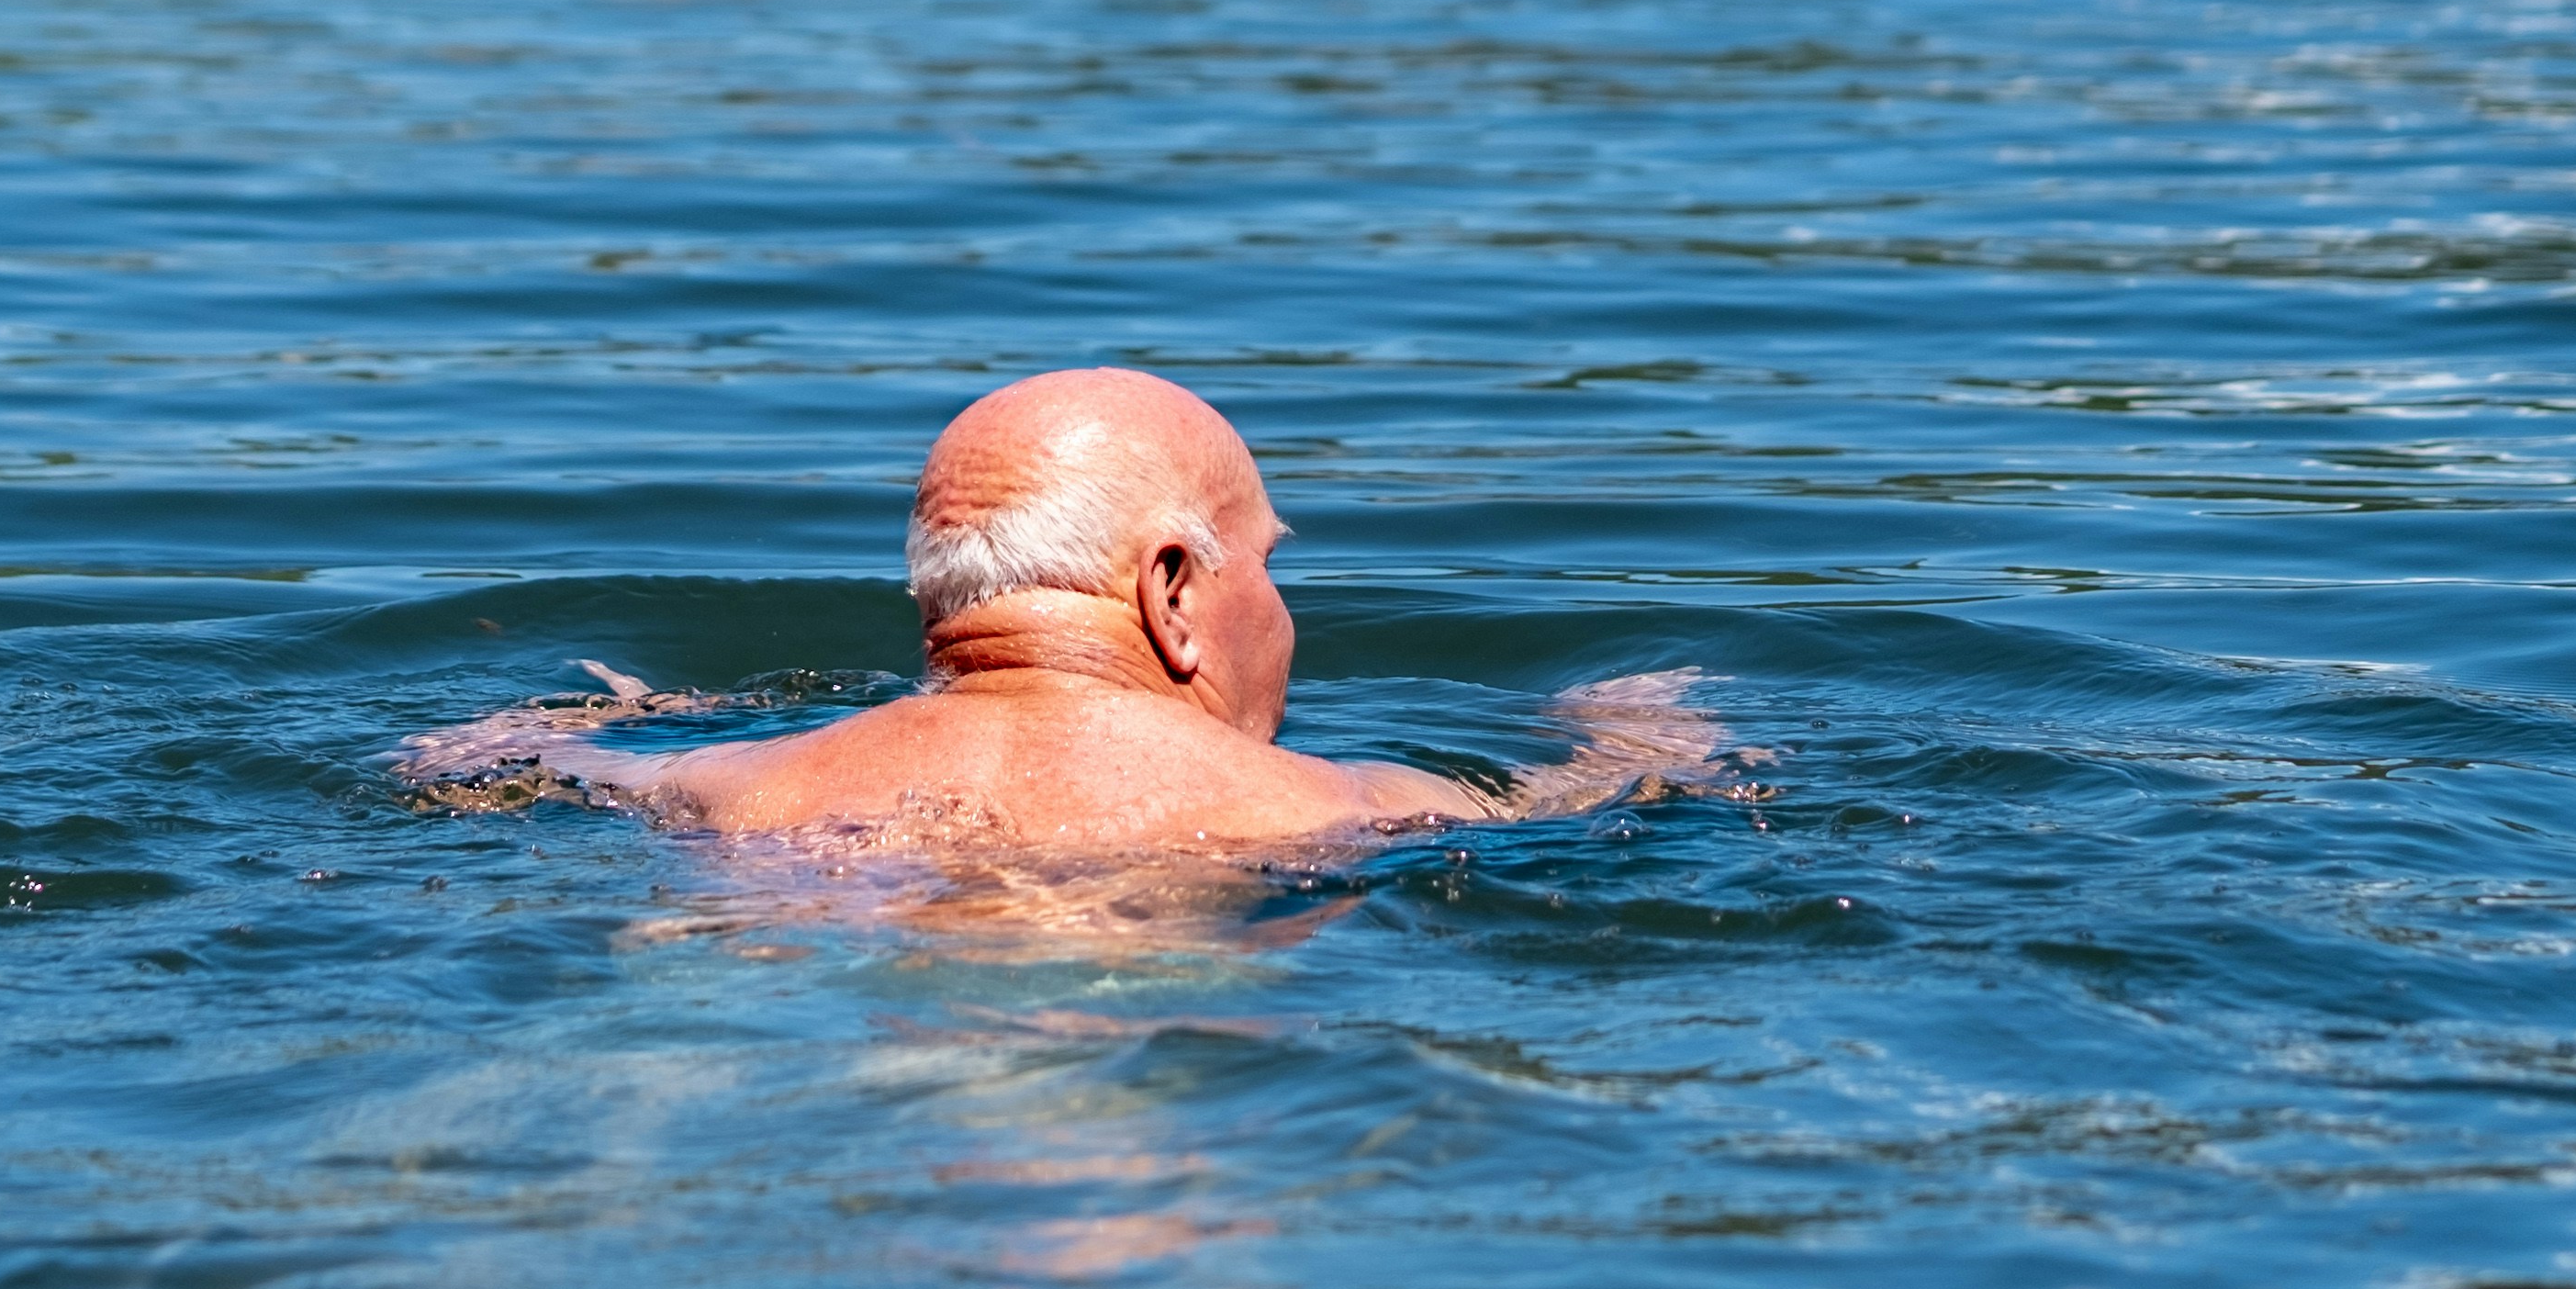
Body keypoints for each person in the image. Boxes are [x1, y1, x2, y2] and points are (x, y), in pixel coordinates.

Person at [395, 364, 1720, 853]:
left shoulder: (721, 787)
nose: (1284, 605)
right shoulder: (1348, 807)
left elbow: (455, 768)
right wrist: (1640, 738)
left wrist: (608, 718)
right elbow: (1613, 808)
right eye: (1268, 561)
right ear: (1173, 590)